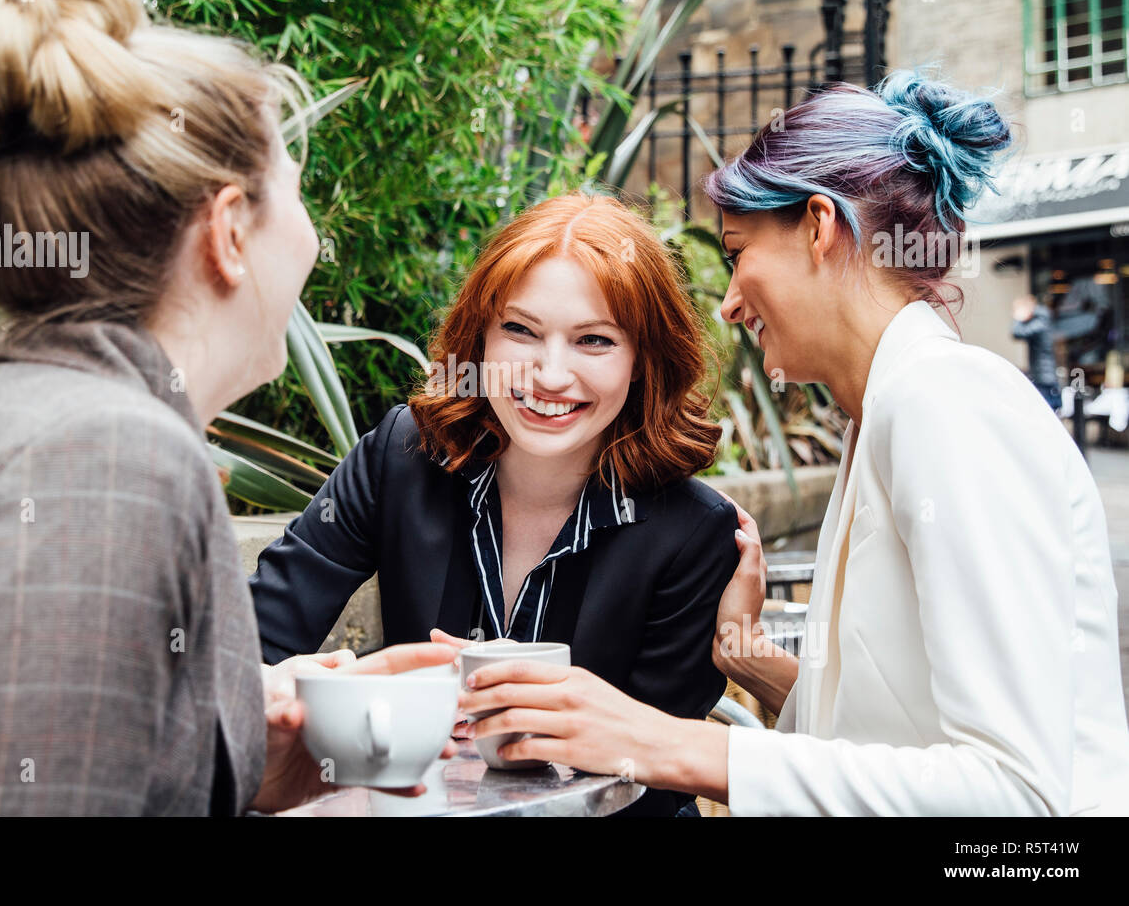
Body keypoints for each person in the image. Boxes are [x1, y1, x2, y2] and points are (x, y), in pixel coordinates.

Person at [0, 0, 455, 816]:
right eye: (299, 199)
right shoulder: (113, 457)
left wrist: (235, 741)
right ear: (229, 231)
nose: (313, 242)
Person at [457, 71, 1129, 815]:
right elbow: (892, 737)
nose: (731, 300)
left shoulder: (948, 403)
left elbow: (1019, 799)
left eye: (738, 251)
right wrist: (749, 658)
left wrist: (665, 742)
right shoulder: (883, 413)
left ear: (819, 227)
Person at [250, 192, 740, 816]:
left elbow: (655, 786)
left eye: (593, 341)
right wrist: (324, 702)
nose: (550, 375)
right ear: (480, 337)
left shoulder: (694, 533)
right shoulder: (400, 457)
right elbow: (252, 640)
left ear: (643, 360)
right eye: (520, 330)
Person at [1011, 294, 1060, 410]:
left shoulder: (1041, 321)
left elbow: (1017, 332)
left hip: (1044, 377)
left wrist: (1018, 317)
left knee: (1044, 411)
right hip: (1042, 375)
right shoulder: (1041, 319)